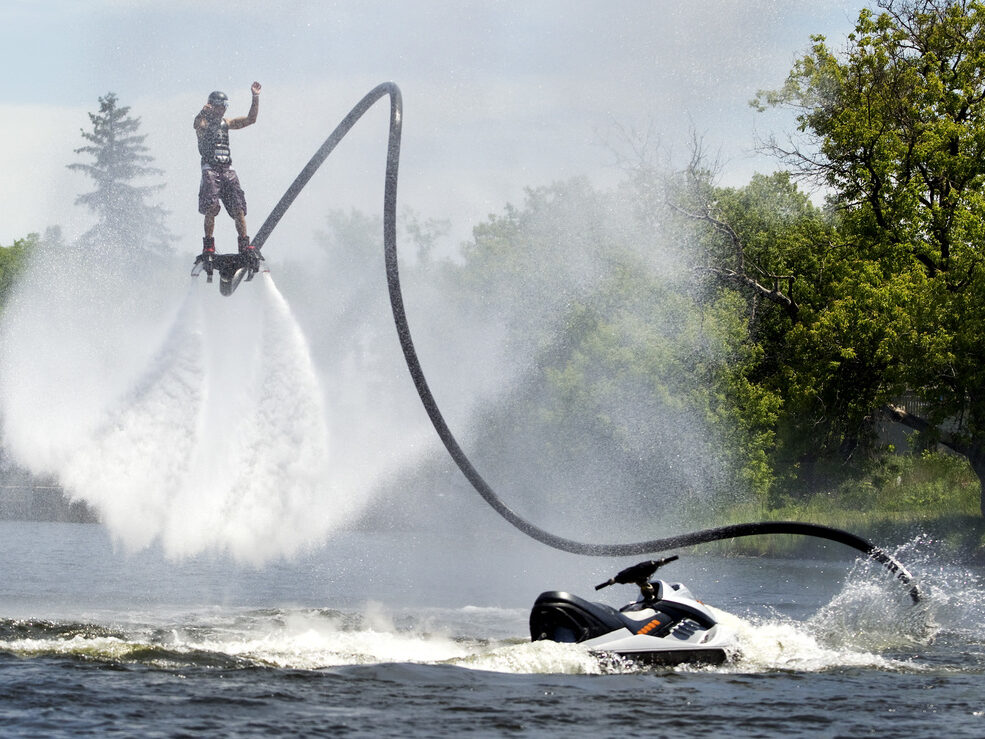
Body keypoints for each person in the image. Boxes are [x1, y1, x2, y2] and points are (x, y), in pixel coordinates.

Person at [194, 81, 261, 266]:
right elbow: (197, 124)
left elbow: (250, 119)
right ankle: (208, 246)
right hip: (211, 170)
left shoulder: (227, 123)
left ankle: (244, 244)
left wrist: (255, 97)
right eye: (219, 106)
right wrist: (203, 111)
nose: (222, 110)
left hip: (227, 170)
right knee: (211, 207)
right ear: (212, 106)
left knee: (239, 208)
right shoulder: (203, 123)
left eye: (224, 107)